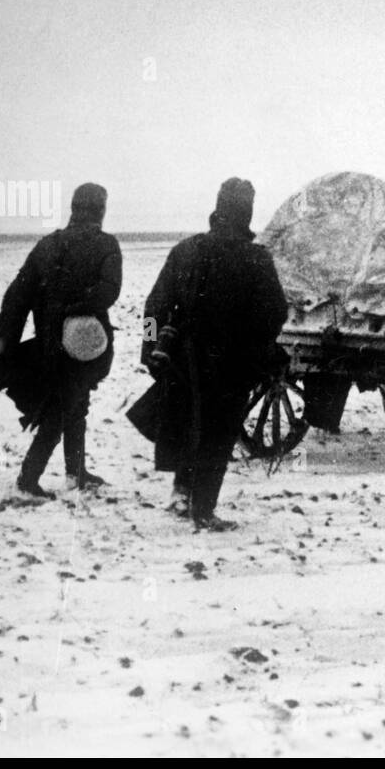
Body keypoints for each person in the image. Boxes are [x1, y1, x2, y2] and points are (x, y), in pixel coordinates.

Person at [134, 177, 287, 530]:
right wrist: (258, 352)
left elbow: (153, 306)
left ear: (217, 208)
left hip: (183, 358)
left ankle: (182, 493)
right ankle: (203, 511)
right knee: (218, 434)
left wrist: (150, 349)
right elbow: (275, 312)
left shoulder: (185, 250)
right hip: (231, 363)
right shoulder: (256, 257)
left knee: (186, 422)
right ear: (246, 212)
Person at [0, 182, 122, 499]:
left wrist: (4, 343)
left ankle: (76, 472)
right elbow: (109, 291)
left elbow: (16, 298)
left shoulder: (47, 244)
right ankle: (28, 480)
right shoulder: (106, 245)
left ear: (74, 208)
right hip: (86, 343)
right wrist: (78, 307)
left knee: (75, 405)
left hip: (49, 342)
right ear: (100, 210)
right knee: (62, 411)